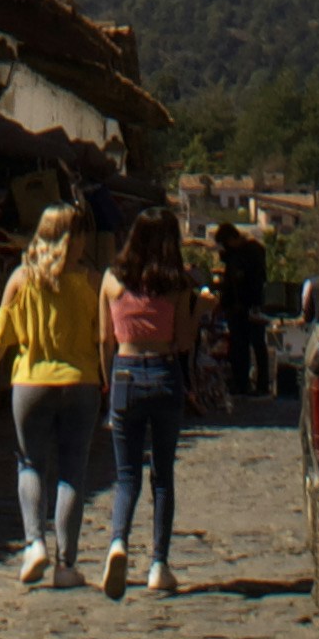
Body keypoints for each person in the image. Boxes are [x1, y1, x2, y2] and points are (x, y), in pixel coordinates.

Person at [0, 200, 105, 588]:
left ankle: (34, 544)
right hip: (80, 383)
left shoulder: (20, 279)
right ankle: (66, 564)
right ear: (74, 238)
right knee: (72, 471)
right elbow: (104, 338)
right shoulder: (91, 281)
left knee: (30, 464)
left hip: (30, 383)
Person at [96, 205, 202, 595]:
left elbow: (105, 338)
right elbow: (185, 342)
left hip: (124, 371)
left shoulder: (111, 280)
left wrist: (106, 382)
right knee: (162, 475)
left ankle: (118, 541)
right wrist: (200, 311)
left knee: (126, 475)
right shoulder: (178, 285)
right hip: (163, 373)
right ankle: (159, 563)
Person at [214, 220, 270, 407]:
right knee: (241, 346)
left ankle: (259, 384)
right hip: (240, 307)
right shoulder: (238, 254)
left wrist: (246, 303)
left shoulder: (250, 253)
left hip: (249, 306)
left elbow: (249, 280)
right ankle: (243, 383)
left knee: (255, 345)